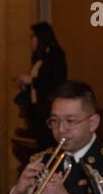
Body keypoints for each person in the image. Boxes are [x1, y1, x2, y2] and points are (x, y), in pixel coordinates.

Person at [15, 22, 68, 152]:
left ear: (41, 37)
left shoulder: (56, 55)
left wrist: (32, 81)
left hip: (48, 109)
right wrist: (25, 84)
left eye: (33, 36)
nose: (30, 40)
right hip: (37, 109)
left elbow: (55, 81)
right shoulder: (39, 57)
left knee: (48, 145)